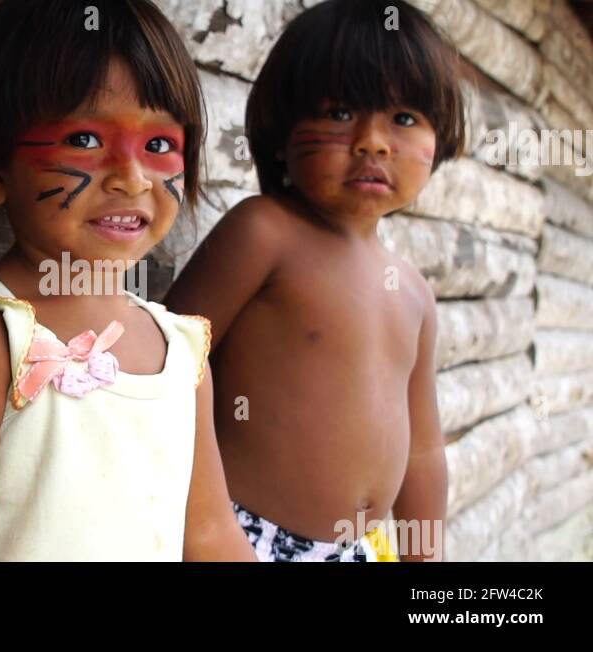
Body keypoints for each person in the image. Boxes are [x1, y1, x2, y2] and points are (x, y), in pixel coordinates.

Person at [0, 0, 256, 561]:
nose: (132, 177)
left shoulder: (181, 352)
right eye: (86, 140)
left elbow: (210, 534)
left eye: (159, 145)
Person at [165, 0, 464, 562]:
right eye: (339, 112)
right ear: (282, 132)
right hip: (237, 537)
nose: (373, 142)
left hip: (360, 551)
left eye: (403, 119)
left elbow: (423, 450)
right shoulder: (263, 233)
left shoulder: (415, 292)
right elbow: (171, 363)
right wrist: (200, 523)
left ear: (439, 140)